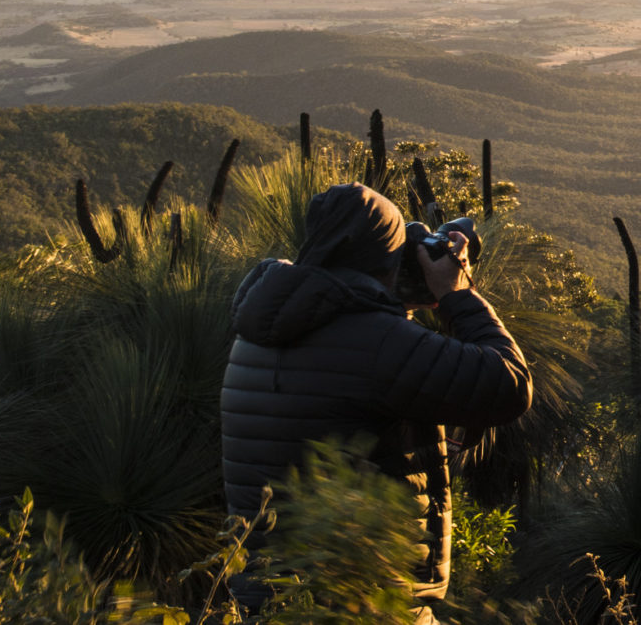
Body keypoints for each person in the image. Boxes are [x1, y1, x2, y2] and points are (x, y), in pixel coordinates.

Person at [220, 182, 532, 620]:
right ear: (386, 256)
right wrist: (456, 294)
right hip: (366, 600)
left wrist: (391, 299)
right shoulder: (378, 344)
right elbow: (509, 386)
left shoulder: (255, 334)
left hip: (268, 596)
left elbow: (352, 368)